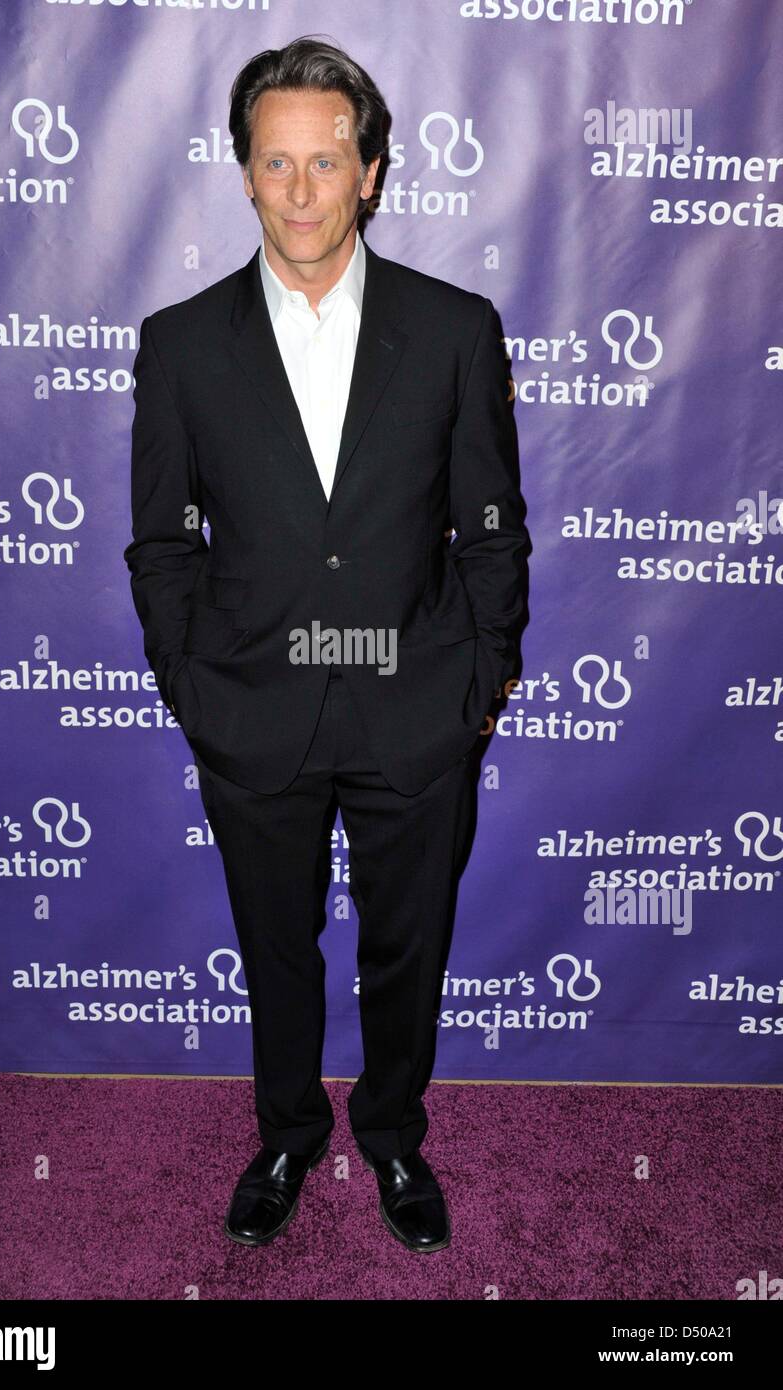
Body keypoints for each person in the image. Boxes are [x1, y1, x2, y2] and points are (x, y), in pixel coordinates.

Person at [124, 35, 530, 1253]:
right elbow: (160, 543)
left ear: (371, 171)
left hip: (417, 710)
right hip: (254, 713)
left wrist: (480, 677)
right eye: (276, 162)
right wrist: (197, 686)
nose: (300, 189)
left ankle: (394, 1131)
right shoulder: (183, 342)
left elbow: (492, 531)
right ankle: (289, 1132)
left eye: (327, 160)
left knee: (411, 949)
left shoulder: (456, 329)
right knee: (276, 953)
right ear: (245, 174)